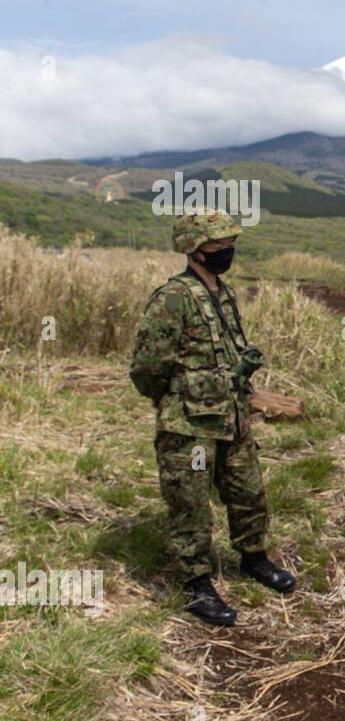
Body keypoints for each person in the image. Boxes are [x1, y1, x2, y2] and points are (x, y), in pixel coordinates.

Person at [129, 208, 295, 625]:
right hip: (189, 425)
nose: (227, 250)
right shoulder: (172, 298)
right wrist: (174, 399)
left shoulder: (222, 291)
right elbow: (148, 367)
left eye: (230, 243)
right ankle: (195, 582)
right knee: (190, 505)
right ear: (193, 248)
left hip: (232, 417)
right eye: (218, 244)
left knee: (248, 492)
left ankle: (253, 557)